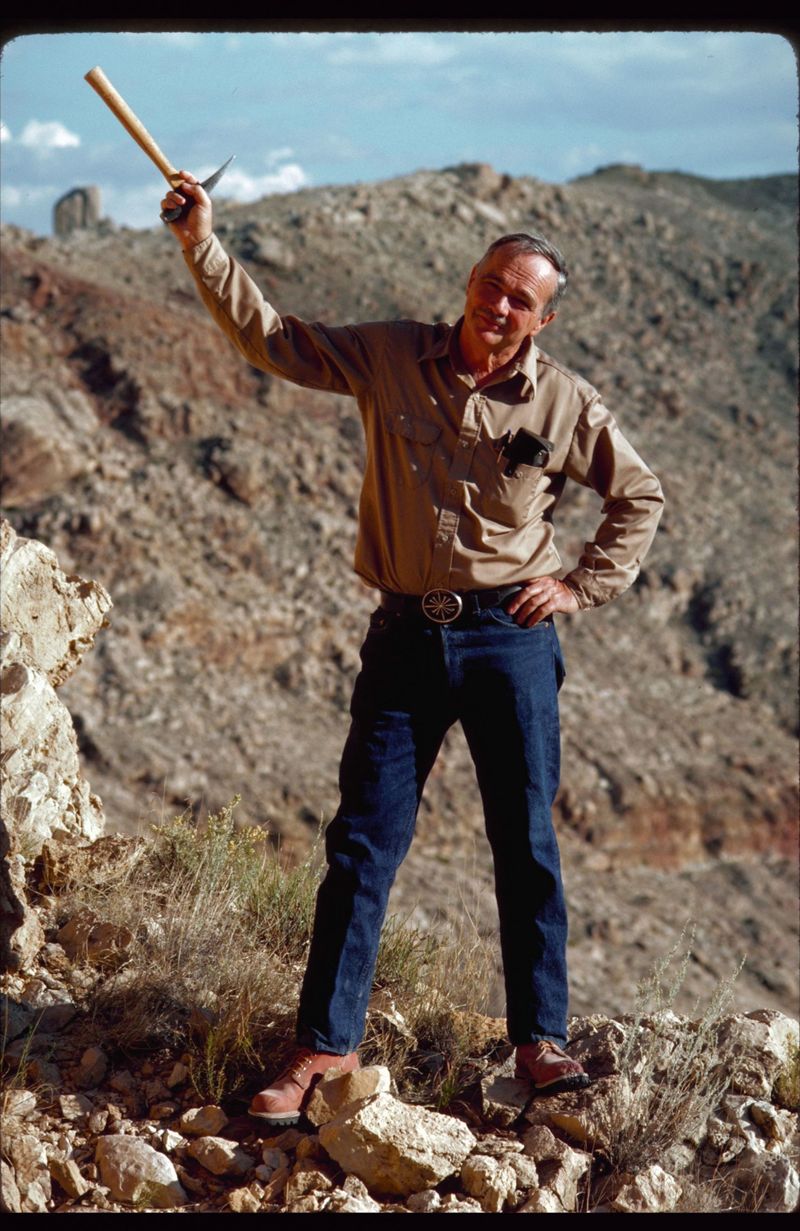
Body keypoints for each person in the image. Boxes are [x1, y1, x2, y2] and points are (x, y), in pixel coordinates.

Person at [162, 172, 664, 1125]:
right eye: (490, 283)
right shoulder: (390, 354)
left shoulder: (564, 405)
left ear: (542, 319)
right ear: (468, 281)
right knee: (362, 844)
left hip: (508, 642)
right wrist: (202, 244)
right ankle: (320, 1049)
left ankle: (541, 1039)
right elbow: (272, 340)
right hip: (403, 635)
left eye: (522, 297)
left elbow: (640, 498)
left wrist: (577, 584)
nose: (498, 303)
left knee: (524, 843)